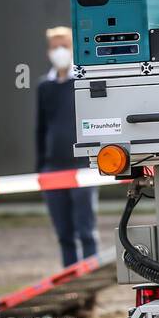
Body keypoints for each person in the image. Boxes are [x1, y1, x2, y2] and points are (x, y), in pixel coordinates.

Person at [36, 26, 98, 268]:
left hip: (82, 166)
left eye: (64, 46)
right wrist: (40, 167)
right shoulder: (45, 86)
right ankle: (70, 288)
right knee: (64, 234)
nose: (59, 51)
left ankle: (89, 285)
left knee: (86, 230)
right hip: (53, 168)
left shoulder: (83, 81)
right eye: (54, 47)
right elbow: (40, 128)